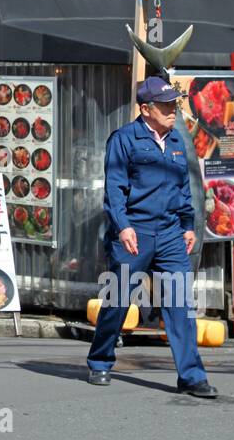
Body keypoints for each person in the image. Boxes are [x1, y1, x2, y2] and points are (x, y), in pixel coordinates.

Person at [87, 75, 217, 398]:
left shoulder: (176, 142)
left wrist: (188, 224)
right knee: (118, 300)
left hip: (171, 233)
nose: (172, 109)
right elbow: (114, 189)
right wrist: (123, 226)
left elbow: (183, 187)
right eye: (165, 105)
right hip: (135, 231)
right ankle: (100, 360)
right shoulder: (124, 140)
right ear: (146, 109)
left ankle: (191, 376)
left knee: (179, 303)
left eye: (173, 103)